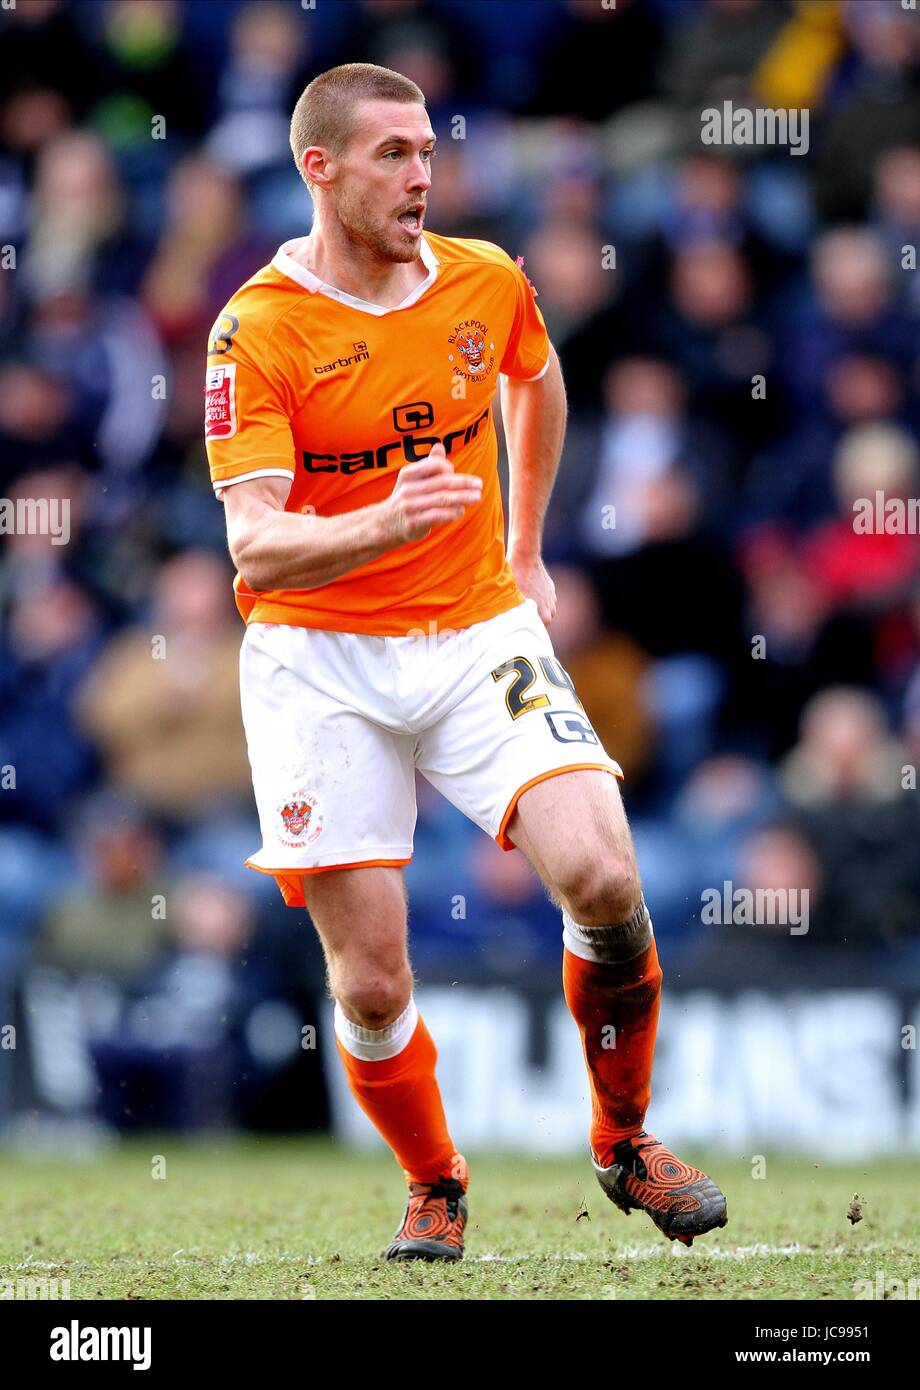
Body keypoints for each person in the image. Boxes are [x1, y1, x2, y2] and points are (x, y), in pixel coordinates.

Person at [204, 62, 727, 1261]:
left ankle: (623, 1140)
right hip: (317, 657)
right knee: (374, 984)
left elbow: (534, 382)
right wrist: (381, 523)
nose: (422, 174)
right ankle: (434, 1181)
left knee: (602, 877)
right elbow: (257, 544)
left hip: (475, 627)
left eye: (428, 150)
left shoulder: (485, 280)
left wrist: (525, 546)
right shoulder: (258, 330)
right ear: (317, 169)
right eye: (390, 153)